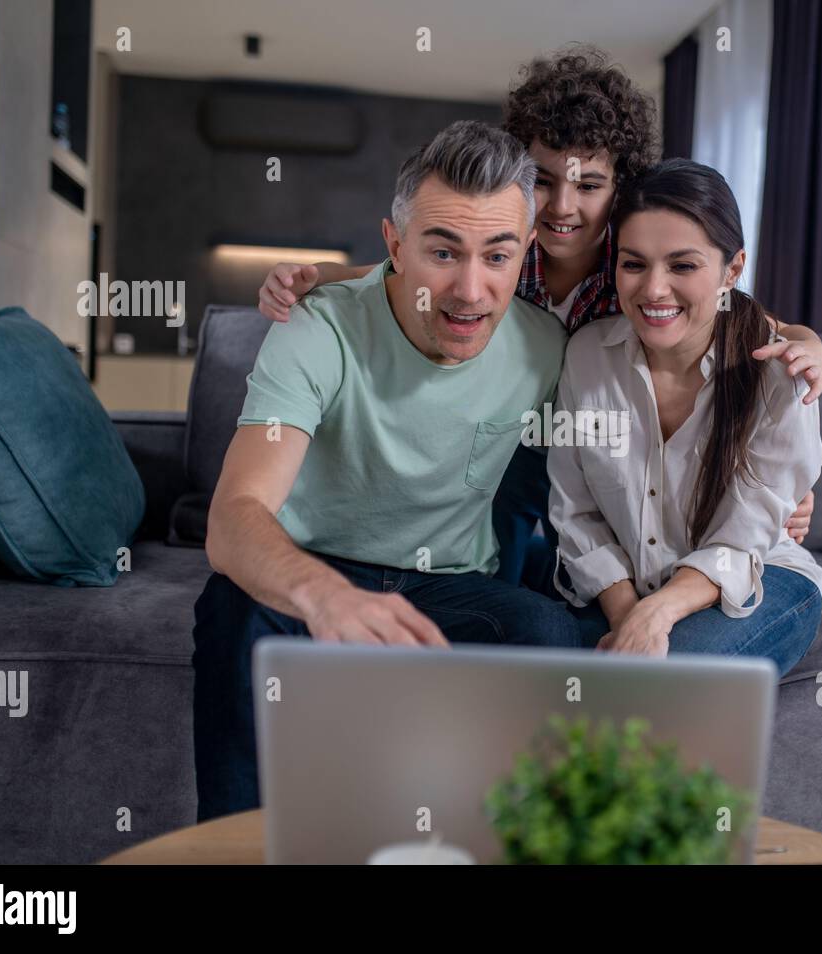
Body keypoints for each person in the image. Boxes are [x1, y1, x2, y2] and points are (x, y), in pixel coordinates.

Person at [252, 47, 822, 590]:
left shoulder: (632, 269)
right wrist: (319, 275)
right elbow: (394, 272)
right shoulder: (501, 256)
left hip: (592, 446)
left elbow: (748, 321)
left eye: (589, 185)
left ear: (620, 191)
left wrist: (808, 343)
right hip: (508, 435)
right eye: (544, 181)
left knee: (573, 559)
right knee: (497, 526)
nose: (561, 206)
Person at [193, 121, 585, 821]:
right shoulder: (317, 329)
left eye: (496, 256)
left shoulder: (546, 349)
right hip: (316, 567)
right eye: (442, 251)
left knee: (550, 634)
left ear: (526, 252)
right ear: (395, 244)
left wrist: (769, 495)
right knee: (231, 611)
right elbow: (234, 517)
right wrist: (325, 598)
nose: (469, 290)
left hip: (452, 584)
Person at [549, 159, 822, 675]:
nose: (653, 289)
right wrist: (631, 615)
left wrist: (659, 612)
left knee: (665, 685)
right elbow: (576, 513)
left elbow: (745, 539)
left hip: (758, 579)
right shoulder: (587, 355)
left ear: (732, 269)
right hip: (625, 590)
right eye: (634, 264)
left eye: (682, 266)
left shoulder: (779, 373)